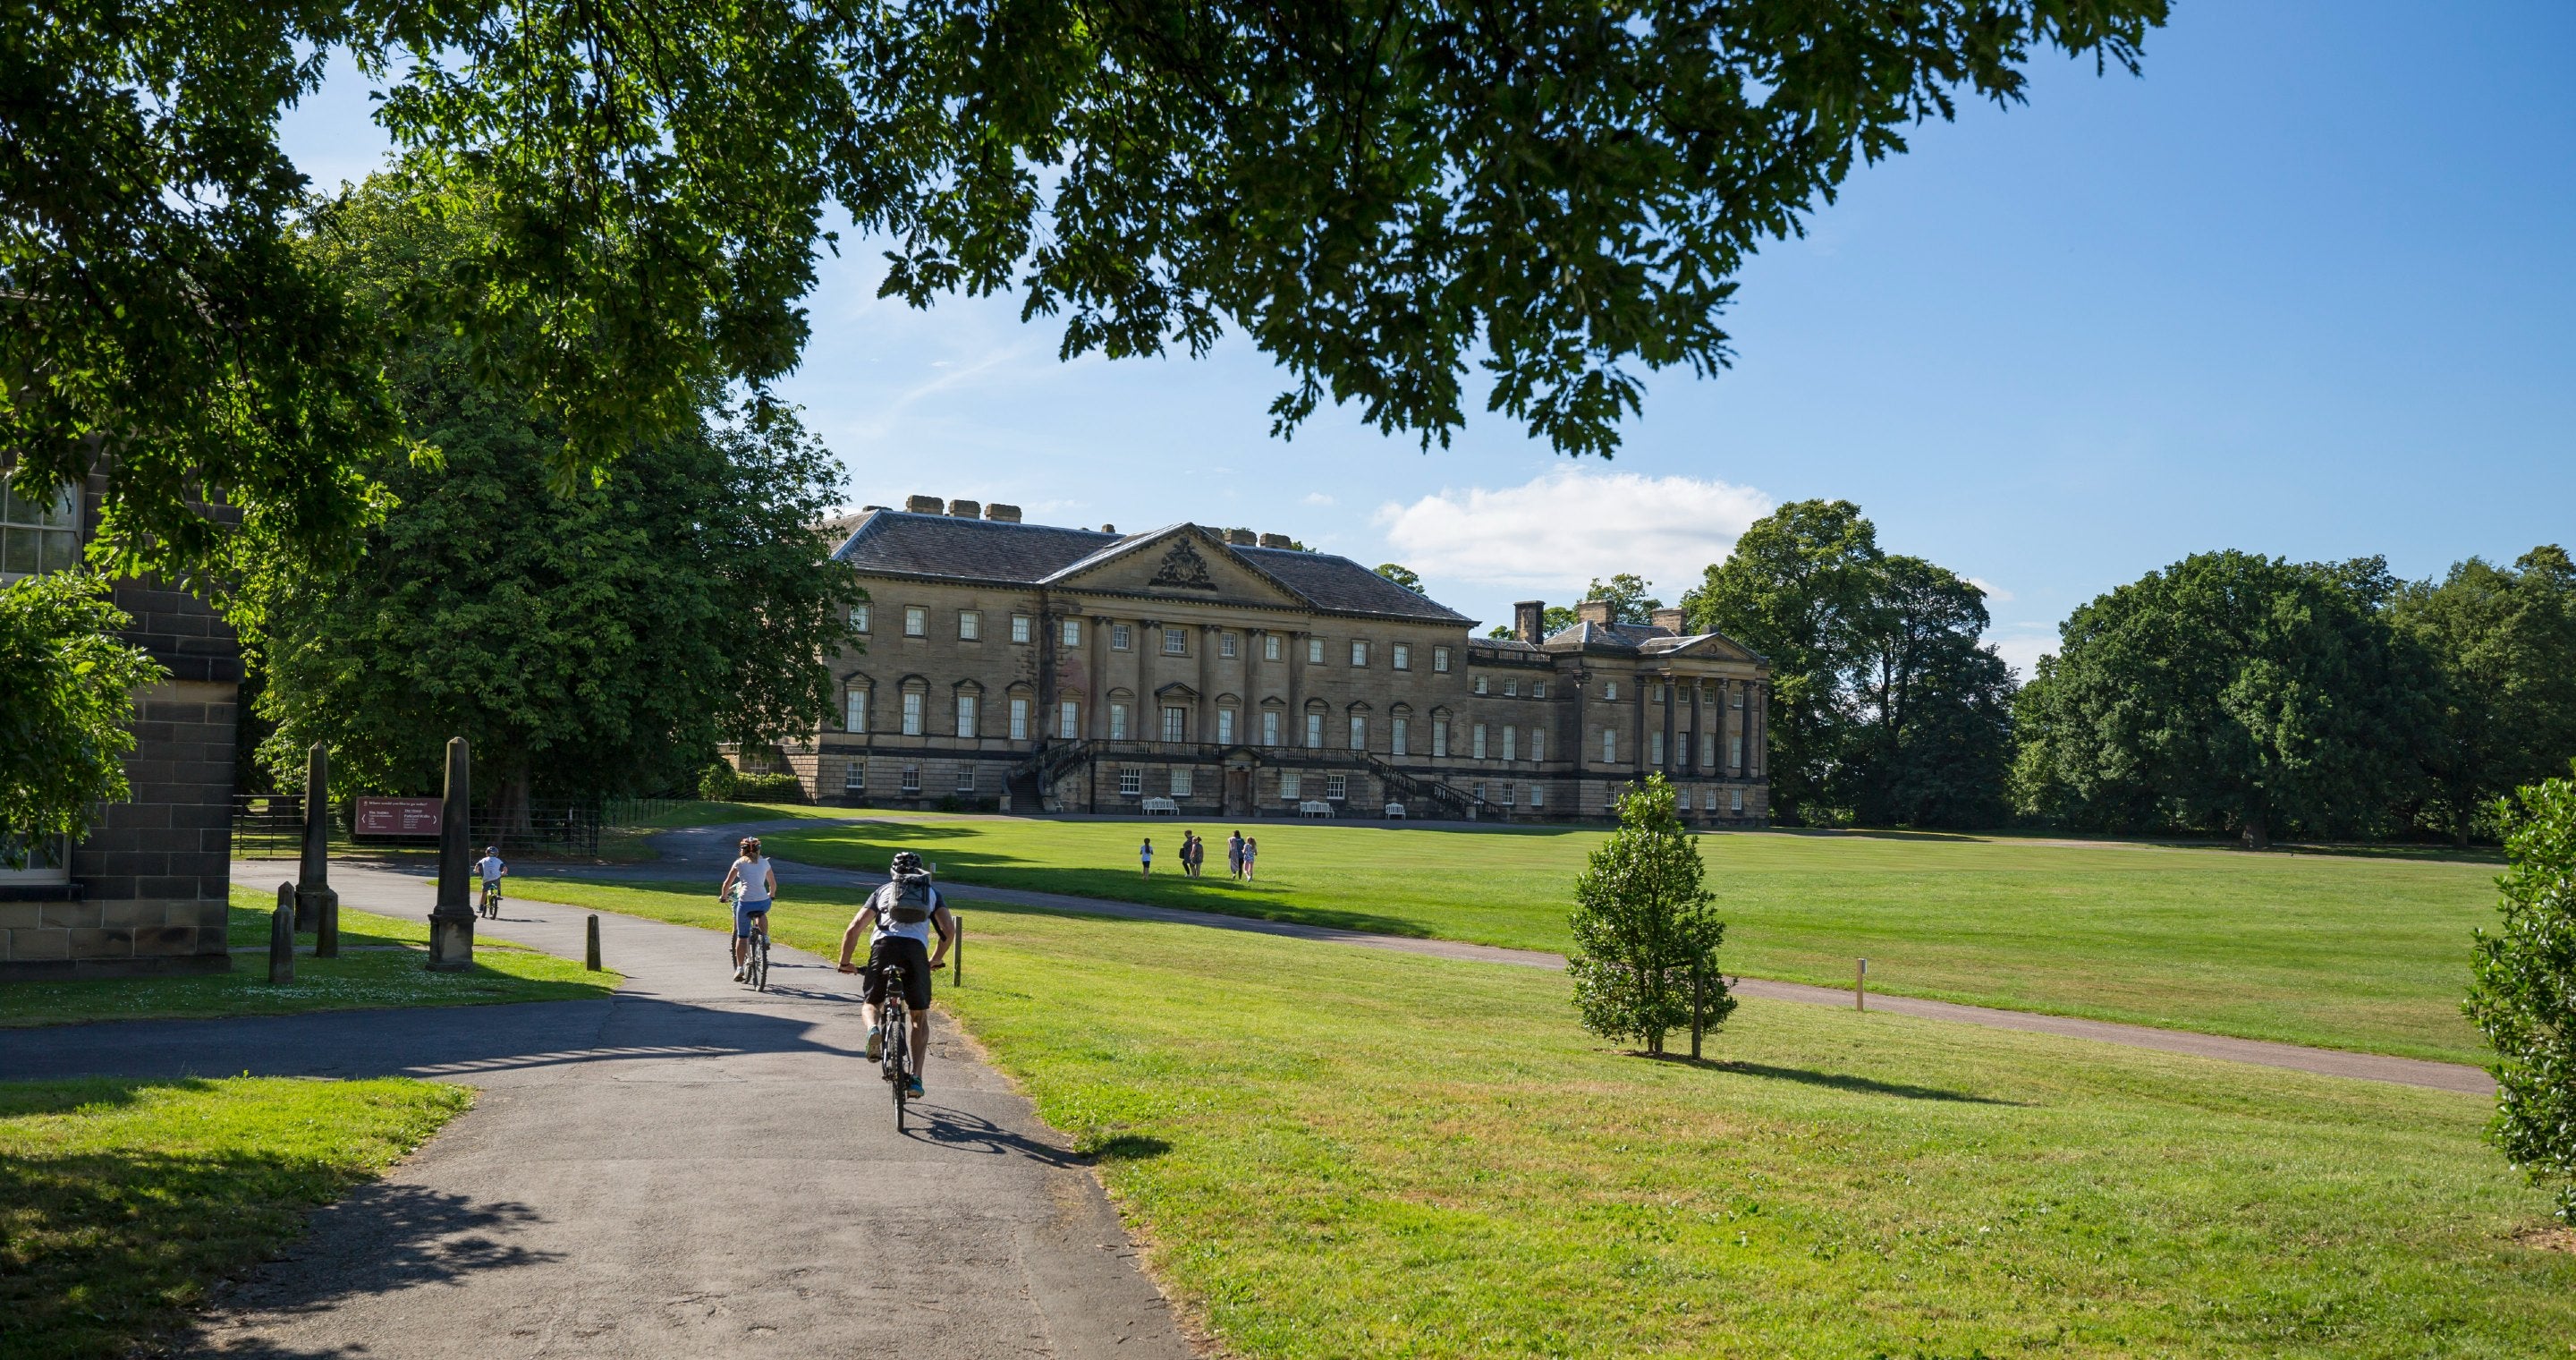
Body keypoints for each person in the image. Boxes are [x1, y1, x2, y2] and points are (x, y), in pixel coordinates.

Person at [837, 851, 955, 1098]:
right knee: (918, 1017)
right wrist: (935, 958)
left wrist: (845, 962)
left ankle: (873, 1030)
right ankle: (916, 1079)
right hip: (915, 952)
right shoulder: (931, 893)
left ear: (893, 871)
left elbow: (854, 928)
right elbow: (948, 929)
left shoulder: (882, 891)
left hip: (884, 948)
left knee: (872, 1003)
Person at [716, 836, 777, 982]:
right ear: (759, 849)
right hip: (763, 901)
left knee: (742, 936)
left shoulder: (739, 863)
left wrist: (724, 896)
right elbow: (773, 884)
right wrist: (772, 895)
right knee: (761, 911)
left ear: (742, 851)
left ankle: (740, 968)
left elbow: (727, 884)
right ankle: (765, 937)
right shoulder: (765, 863)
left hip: (745, 903)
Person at [474, 846, 506, 910]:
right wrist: (503, 873)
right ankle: (499, 894)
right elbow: (505, 868)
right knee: (498, 880)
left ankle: (481, 907)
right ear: (497, 854)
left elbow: (477, 866)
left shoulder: (483, 859)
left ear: (487, 853)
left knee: (484, 892)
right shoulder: (499, 860)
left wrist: (476, 870)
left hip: (487, 879)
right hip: (496, 878)